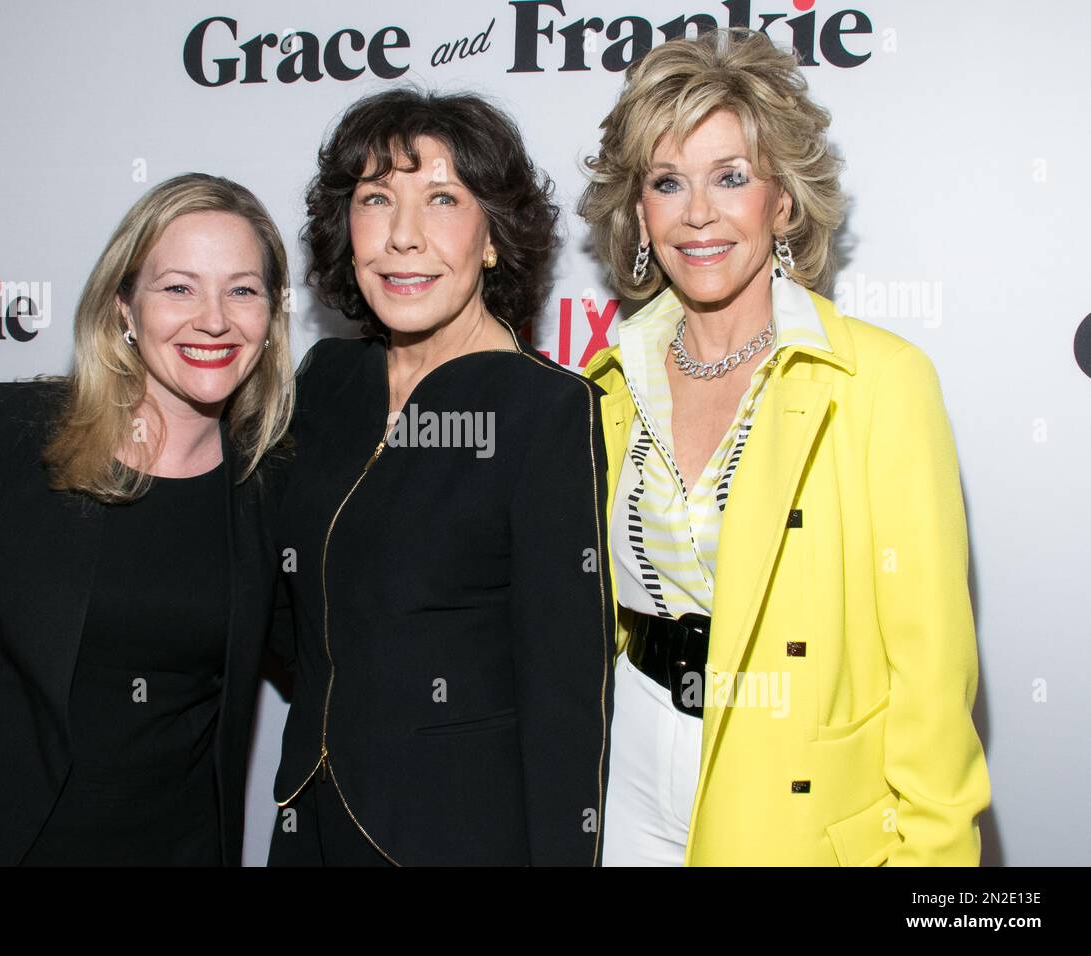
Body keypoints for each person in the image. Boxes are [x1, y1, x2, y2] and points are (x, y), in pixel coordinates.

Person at [577, 28, 989, 865]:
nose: (699, 213)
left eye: (732, 178)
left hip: (791, 783)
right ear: (639, 212)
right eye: (667, 183)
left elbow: (932, 673)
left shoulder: (878, 381)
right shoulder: (608, 384)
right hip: (625, 764)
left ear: (784, 201)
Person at [0, 173, 294, 866]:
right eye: (178, 287)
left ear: (270, 318)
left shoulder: (264, 484)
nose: (214, 319)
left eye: (243, 290)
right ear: (123, 307)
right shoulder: (3, 436)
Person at [266, 88, 614, 866]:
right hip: (310, 816)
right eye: (376, 199)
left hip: (456, 832)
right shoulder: (329, 380)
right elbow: (292, 607)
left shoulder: (548, 412)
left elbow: (566, 702)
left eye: (443, 200)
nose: (402, 237)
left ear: (493, 236)